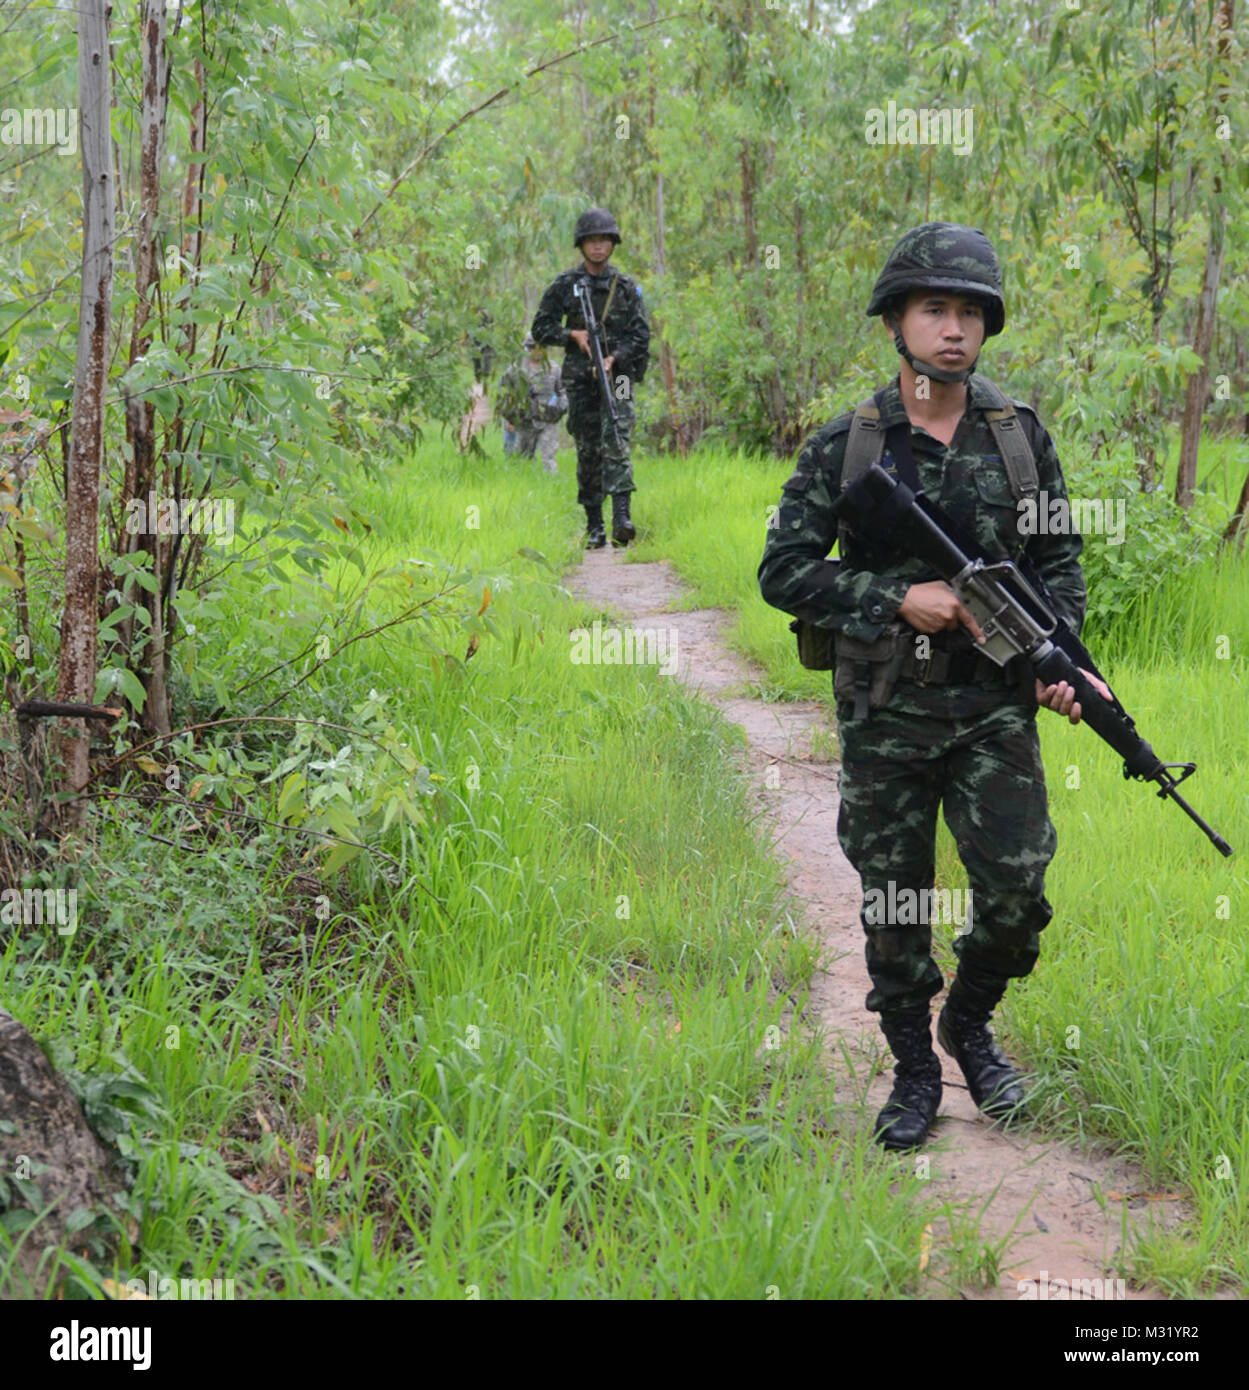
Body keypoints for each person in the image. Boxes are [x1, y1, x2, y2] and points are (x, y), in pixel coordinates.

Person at [758, 222, 1112, 1151]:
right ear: (896, 323)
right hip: (885, 707)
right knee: (896, 897)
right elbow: (783, 571)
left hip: (994, 702)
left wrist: (1062, 661)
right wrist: (892, 595)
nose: (951, 329)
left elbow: (1055, 560)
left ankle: (971, 1023)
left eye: (967, 312)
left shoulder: (1019, 437)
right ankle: (915, 1067)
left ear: (985, 326)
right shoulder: (847, 444)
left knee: (1016, 889)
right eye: (932, 309)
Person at [531, 207, 650, 548]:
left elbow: (641, 336)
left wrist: (614, 358)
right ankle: (594, 525)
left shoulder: (626, 288)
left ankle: (622, 518)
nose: (598, 247)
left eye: (604, 241)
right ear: (582, 245)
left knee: (617, 435)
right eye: (592, 241)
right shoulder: (565, 286)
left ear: (613, 244)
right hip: (581, 378)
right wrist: (574, 336)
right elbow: (541, 327)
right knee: (588, 448)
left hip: (620, 377)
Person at [500, 334, 566, 474]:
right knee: (523, 458)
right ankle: (524, 485)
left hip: (548, 420)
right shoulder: (515, 370)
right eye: (533, 348)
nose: (537, 351)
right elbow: (504, 394)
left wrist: (560, 408)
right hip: (525, 421)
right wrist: (510, 417)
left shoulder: (554, 369)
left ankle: (551, 485)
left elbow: (562, 391)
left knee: (549, 457)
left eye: (541, 348)